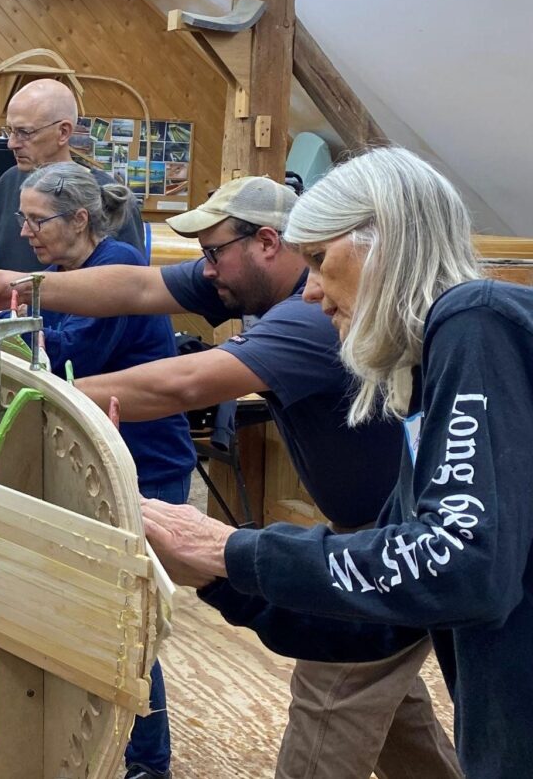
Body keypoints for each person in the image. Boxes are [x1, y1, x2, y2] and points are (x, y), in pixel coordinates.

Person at [0, 176, 461, 779]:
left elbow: (183, 385)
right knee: (386, 696)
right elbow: (138, 285)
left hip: (387, 543)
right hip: (372, 525)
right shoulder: (247, 277)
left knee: (330, 705)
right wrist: (24, 285)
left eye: (214, 253)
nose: (205, 270)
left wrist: (40, 395)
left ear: (267, 243)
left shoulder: (310, 317)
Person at [139, 146, 533, 778]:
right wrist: (220, 575)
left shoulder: (475, 320)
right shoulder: (423, 387)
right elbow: (373, 631)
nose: (312, 292)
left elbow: (465, 562)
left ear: (387, 243)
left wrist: (233, 550)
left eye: (320, 260)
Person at [18, 162, 195, 778]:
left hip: (146, 464)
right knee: (105, 616)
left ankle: (149, 764)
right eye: (22, 219)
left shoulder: (115, 268)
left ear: (79, 219)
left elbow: (69, 357)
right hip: (100, 458)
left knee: (133, 626)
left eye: (37, 220)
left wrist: (11, 321)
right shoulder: (66, 273)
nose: (26, 232)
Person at [0, 78, 145, 291]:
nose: (11, 143)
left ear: (63, 132)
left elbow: (130, 287)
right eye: (10, 131)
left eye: (24, 132)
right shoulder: (9, 181)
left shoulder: (110, 198)